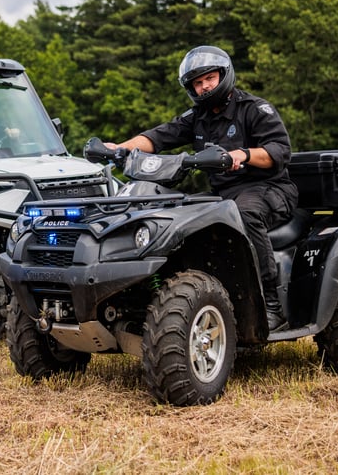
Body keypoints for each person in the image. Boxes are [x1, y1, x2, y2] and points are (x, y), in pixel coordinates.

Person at [109, 46, 297, 330]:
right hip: (224, 195)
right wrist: (118, 148)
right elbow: (158, 137)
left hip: (268, 188)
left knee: (244, 214)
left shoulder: (254, 109)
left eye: (209, 78)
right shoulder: (198, 116)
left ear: (224, 75)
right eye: (198, 82)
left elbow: (280, 151)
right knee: (177, 214)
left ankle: (272, 304)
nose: (204, 86)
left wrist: (242, 155)